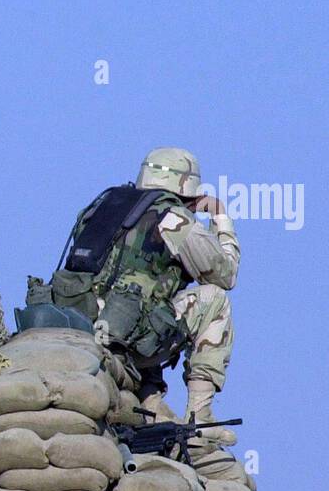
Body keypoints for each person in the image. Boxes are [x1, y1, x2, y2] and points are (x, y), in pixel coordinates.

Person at [44, 147, 239, 443]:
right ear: (188, 187)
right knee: (214, 300)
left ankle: (148, 403)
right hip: (127, 339)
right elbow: (225, 275)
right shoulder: (174, 220)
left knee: (151, 298)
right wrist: (220, 216)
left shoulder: (100, 207)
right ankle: (201, 416)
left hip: (77, 326)